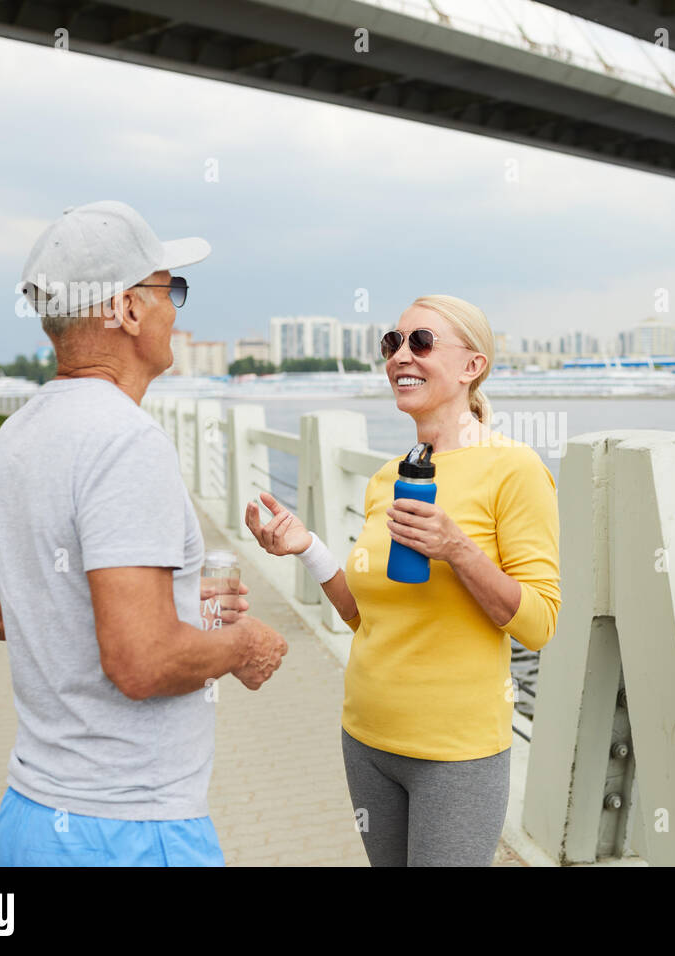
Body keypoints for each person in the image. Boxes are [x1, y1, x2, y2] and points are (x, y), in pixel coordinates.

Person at [0, 200, 288, 866]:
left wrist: (172, 610)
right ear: (128, 309)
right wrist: (240, 644)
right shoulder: (126, 442)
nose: (177, 308)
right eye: (171, 288)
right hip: (130, 829)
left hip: (31, 814)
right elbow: (140, 664)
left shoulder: (13, 438)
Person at [245, 294, 561, 866]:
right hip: (366, 738)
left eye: (421, 342)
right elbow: (367, 617)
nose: (400, 357)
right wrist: (309, 548)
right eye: (393, 344)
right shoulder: (390, 476)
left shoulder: (514, 468)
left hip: (455, 754)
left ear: (473, 366)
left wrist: (458, 549)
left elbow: (539, 624)